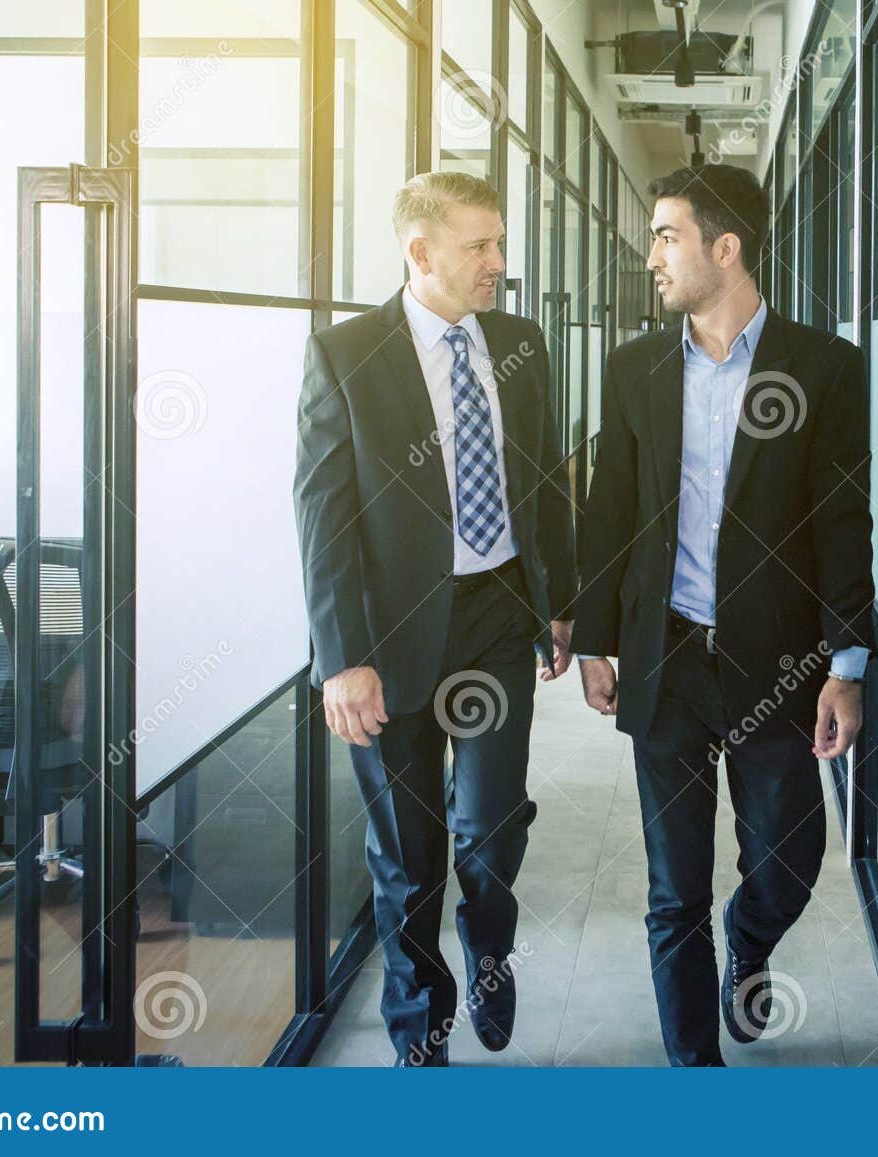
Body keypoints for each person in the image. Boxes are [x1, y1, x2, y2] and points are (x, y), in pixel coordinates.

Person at [571, 163, 874, 1066]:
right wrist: (594, 638)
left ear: (725, 247)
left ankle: (751, 940)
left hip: (776, 660)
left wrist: (847, 667)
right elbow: (609, 509)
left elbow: (842, 519)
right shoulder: (633, 370)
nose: (652, 255)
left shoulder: (824, 367)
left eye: (667, 235)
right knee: (673, 892)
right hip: (666, 657)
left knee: (786, 864)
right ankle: (694, 1075)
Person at [293, 170, 576, 1066]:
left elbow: (543, 484)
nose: (499, 262)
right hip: (389, 636)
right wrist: (342, 660)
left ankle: (489, 951)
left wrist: (559, 602)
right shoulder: (346, 355)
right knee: (407, 853)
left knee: (490, 826)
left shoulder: (521, 344)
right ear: (420, 251)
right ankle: (422, 1025)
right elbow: (322, 515)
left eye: (499, 242)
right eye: (479, 246)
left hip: (496, 614)